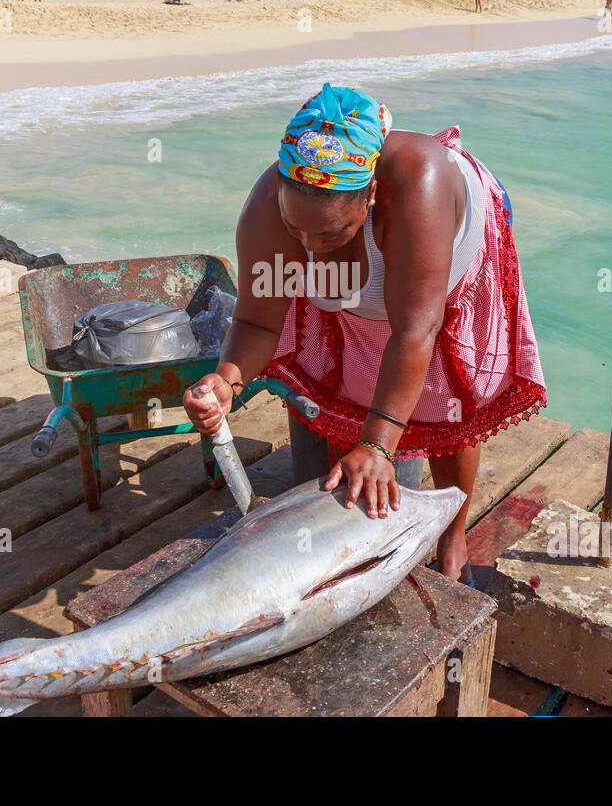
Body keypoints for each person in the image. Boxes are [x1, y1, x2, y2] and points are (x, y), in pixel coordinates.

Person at [180, 84, 547, 585]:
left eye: (330, 234)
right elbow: (256, 321)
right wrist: (227, 380)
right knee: (347, 392)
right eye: (296, 228)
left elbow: (417, 330)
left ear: (370, 194)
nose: (309, 246)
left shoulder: (421, 181)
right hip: (368, 280)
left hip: (448, 268)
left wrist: (377, 446)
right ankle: (352, 518)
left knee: (447, 402)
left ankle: (453, 532)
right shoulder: (269, 207)